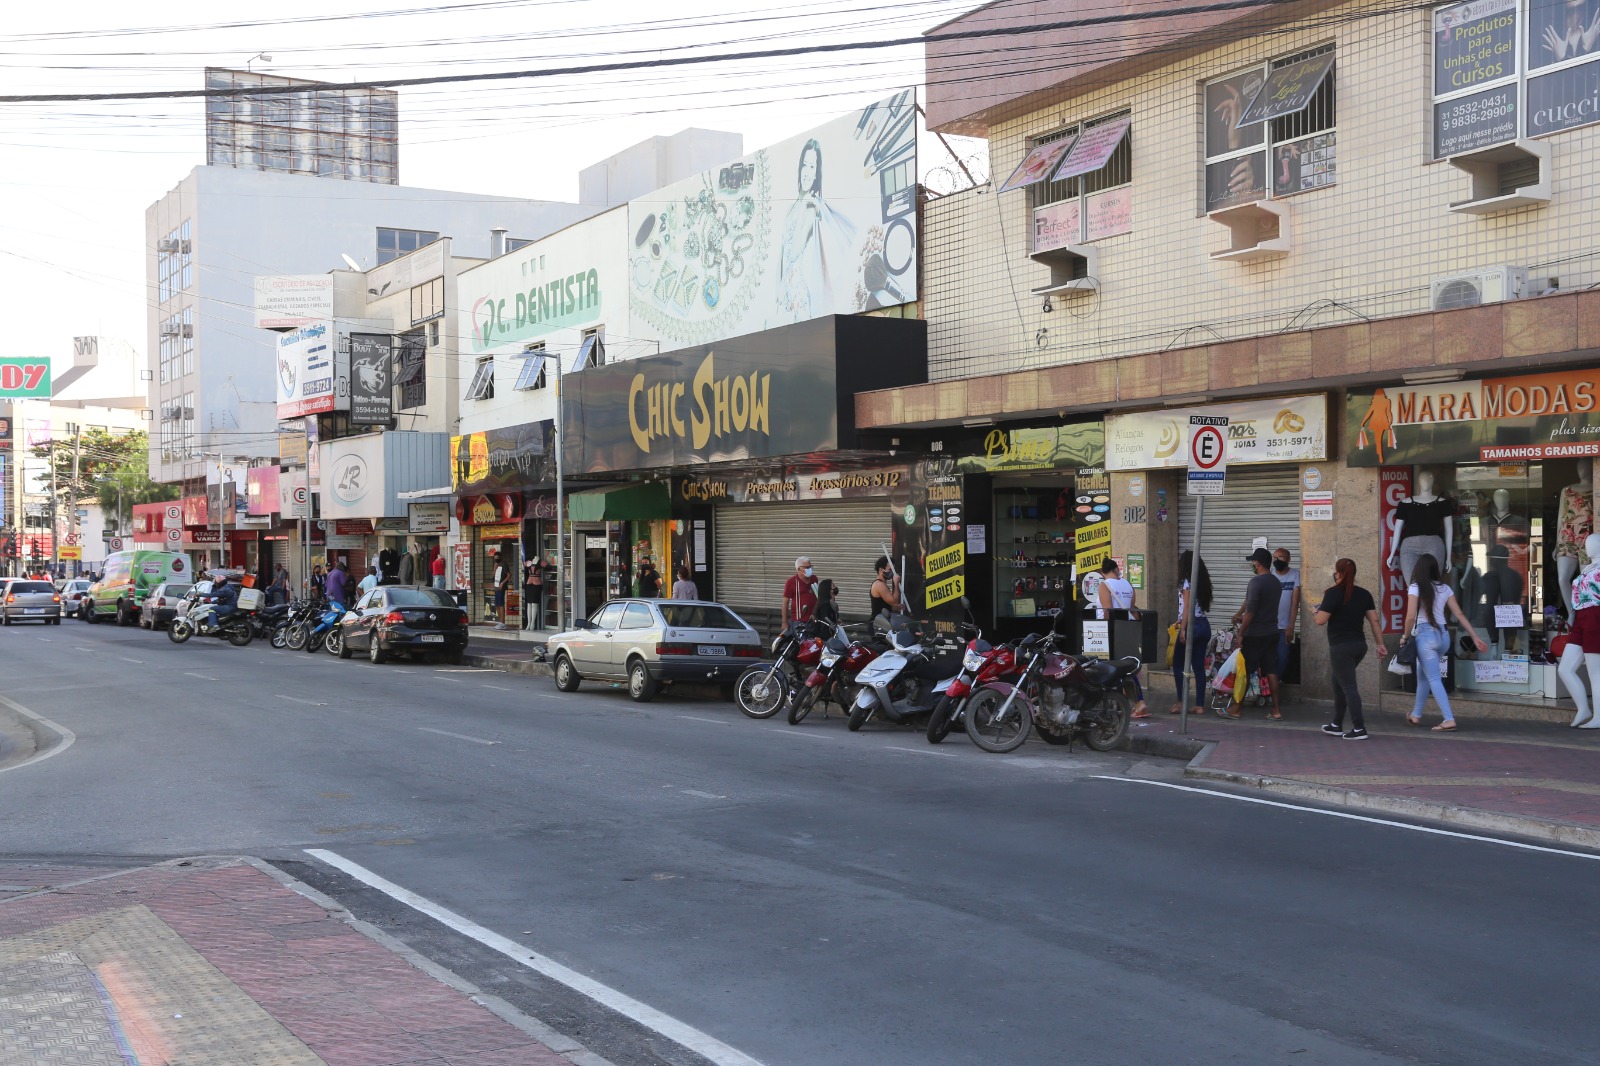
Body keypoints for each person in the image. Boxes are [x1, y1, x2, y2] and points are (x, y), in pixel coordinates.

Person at [1404, 555, 1488, 732]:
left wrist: (1405, 636)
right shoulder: (1445, 588)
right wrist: (1475, 636)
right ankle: (1416, 715)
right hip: (1443, 636)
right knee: (1424, 675)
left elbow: (1411, 617)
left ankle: (1449, 719)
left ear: (1417, 570)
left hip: (1425, 636)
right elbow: (1459, 615)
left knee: (1433, 677)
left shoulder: (1415, 587)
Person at [1313, 558, 1386, 740]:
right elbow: (1375, 620)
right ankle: (1336, 724)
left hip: (1341, 647)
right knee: (1338, 682)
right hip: (1359, 645)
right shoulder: (1364, 594)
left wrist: (1316, 611)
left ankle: (1359, 728)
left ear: (1338, 573)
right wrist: (1380, 644)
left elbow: (1320, 620)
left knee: (1348, 687)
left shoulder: (1332, 593)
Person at [1227, 548, 1285, 720]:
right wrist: (1239, 613)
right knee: (1271, 670)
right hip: (1272, 632)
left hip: (1255, 634)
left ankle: (1236, 708)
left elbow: (1252, 611)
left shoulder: (1255, 582)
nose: (1252, 564)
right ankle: (1276, 711)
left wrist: (1241, 634)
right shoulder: (1275, 582)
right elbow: (1251, 603)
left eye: (1253, 561)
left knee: (1245, 671)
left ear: (1258, 563)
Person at [1096, 558, 1149, 717]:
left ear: (1102, 572)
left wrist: (1104, 633)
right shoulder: (1128, 585)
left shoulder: (1105, 585)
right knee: (1127, 668)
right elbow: (1133, 609)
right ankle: (1135, 702)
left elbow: (1107, 611)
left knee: (1110, 668)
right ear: (1116, 570)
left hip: (1112, 631)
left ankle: (1120, 703)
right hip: (1128, 629)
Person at [1169, 551, 1213, 716]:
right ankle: (1199, 705)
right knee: (1198, 666)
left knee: (1178, 664)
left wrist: (1183, 629)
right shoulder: (1201, 581)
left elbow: (1187, 607)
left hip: (1192, 625)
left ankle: (1181, 702)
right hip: (1204, 625)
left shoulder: (1186, 582)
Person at [1273, 548, 1302, 681]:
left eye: (1281, 558)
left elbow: (1295, 603)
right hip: (1268, 626)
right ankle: (1265, 687)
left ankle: (1276, 683)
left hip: (1284, 627)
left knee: (1283, 656)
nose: (1277, 561)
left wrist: (1291, 626)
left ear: (1289, 559)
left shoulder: (1295, 575)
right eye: (1275, 558)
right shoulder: (1270, 574)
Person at [781, 556, 817, 629]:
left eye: (810, 567)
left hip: (813, 619)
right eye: (806, 567)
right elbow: (785, 602)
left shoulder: (814, 579)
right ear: (798, 569)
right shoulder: (791, 582)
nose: (809, 569)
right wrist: (784, 622)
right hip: (799, 621)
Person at [492, 551, 511, 630]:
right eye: (495, 558)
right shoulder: (496, 565)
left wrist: (502, 583)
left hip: (501, 587)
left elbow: (509, 575)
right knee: (497, 604)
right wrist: (495, 567)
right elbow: (493, 575)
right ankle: (500, 622)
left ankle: (503, 623)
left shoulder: (504, 564)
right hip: (496, 586)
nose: (496, 559)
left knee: (501, 604)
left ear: (500, 557)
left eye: (497, 558)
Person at [524, 556, 544, 629]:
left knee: (534, 604)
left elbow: (548, 566)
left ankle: (533, 623)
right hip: (529, 584)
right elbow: (523, 564)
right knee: (529, 603)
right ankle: (528, 623)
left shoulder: (541, 562)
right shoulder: (528, 562)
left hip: (537, 584)